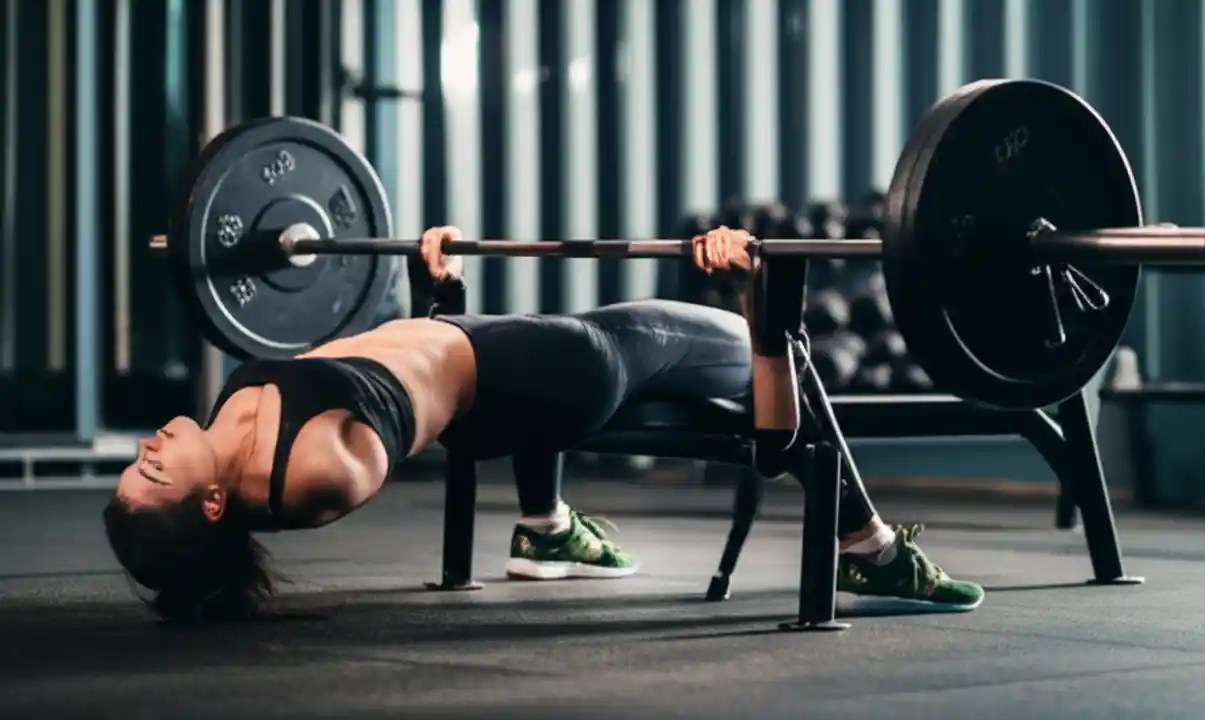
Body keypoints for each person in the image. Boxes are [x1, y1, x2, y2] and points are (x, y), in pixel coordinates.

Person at [103, 226, 983, 622]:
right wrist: (753, 287)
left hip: (496, 358)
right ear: (216, 506)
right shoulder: (319, 471)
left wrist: (437, 289)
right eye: (151, 472)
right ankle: (869, 549)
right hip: (563, 371)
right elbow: (432, 401)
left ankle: (548, 529)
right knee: (767, 343)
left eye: (136, 463)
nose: (145, 451)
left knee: (732, 340)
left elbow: (387, 356)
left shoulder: (228, 419)